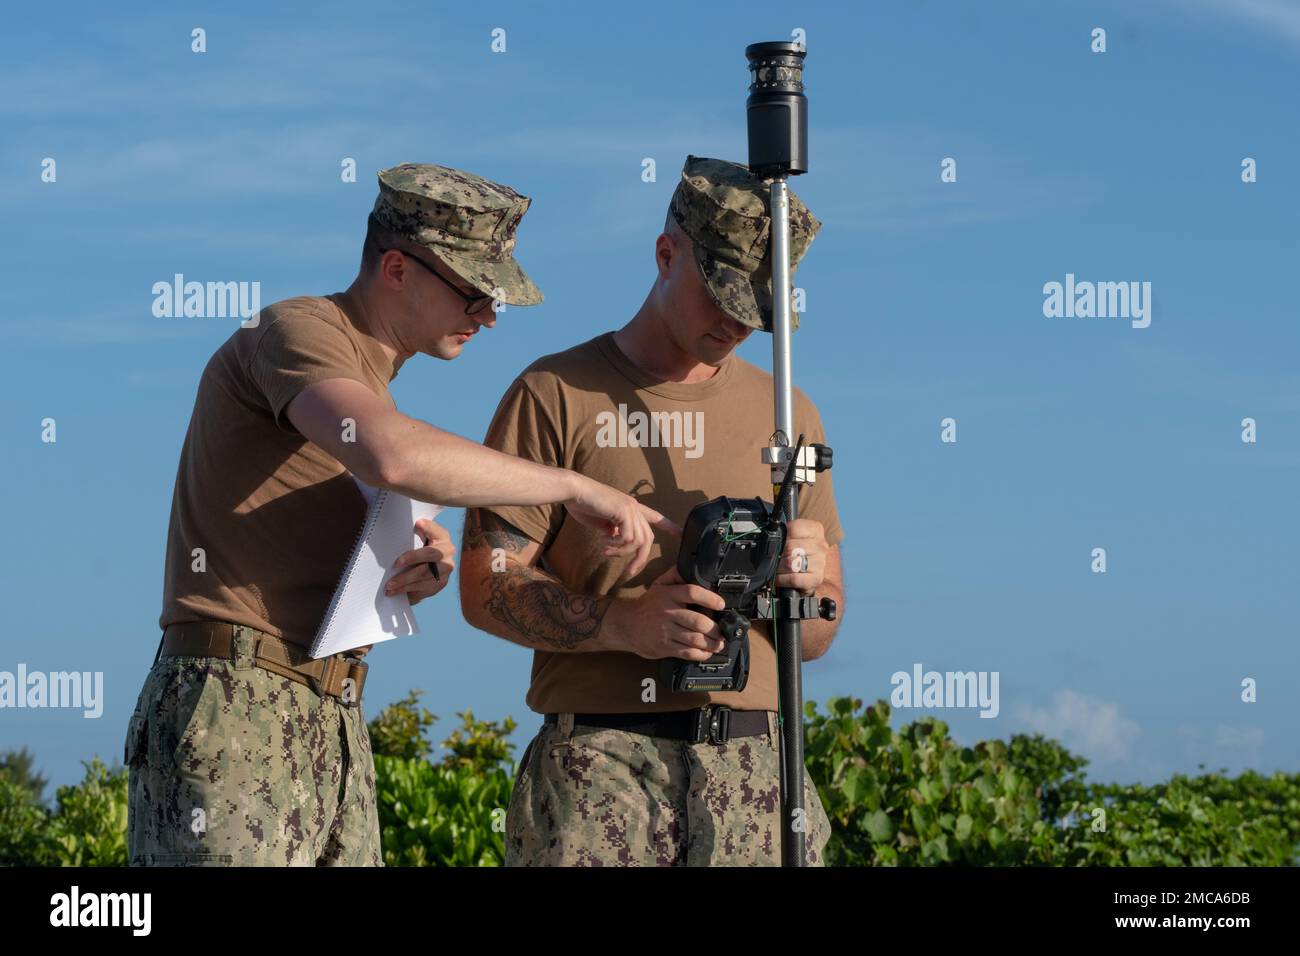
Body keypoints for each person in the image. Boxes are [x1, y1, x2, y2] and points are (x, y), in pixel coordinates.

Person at [125, 163, 671, 866]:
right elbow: (386, 453)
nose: (488, 314)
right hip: (237, 702)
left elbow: (379, 471)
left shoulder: (361, 385)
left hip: (327, 712)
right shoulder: (296, 331)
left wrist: (412, 561)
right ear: (396, 268)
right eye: (474, 290)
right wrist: (569, 484)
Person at [459, 155, 845, 866]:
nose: (738, 322)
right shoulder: (555, 394)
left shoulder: (789, 413)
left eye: (758, 306)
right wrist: (625, 625)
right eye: (722, 294)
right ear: (666, 254)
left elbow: (821, 633)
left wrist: (789, 588)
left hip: (757, 775)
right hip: (598, 772)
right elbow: (486, 588)